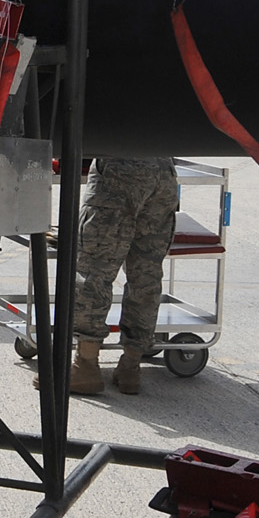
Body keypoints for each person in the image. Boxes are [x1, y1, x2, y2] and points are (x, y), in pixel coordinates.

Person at [67, 158, 182, 397]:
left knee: (94, 270)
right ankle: (131, 365)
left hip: (119, 167)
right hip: (163, 171)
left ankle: (86, 364)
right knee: (146, 275)